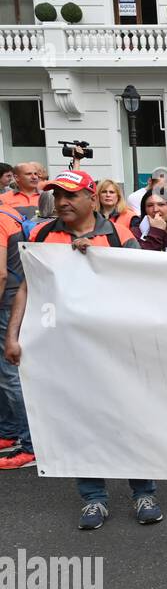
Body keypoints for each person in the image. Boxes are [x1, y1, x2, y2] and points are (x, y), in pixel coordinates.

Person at [4, 169, 165, 523]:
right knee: (80, 423)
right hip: (66, 352)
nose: (62, 202)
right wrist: (13, 335)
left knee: (127, 420)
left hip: (116, 352)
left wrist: (96, 264)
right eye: (57, 195)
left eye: (70, 195)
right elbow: (28, 288)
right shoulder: (43, 235)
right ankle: (93, 497)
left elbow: (143, 287)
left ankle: (143, 494)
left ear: (91, 198)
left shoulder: (120, 237)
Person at [0, 199, 31, 469]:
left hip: (5, 303)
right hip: (11, 300)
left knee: (10, 374)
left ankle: (29, 443)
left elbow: (1, 274)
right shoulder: (9, 213)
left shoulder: (1, 219)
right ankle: (9, 432)